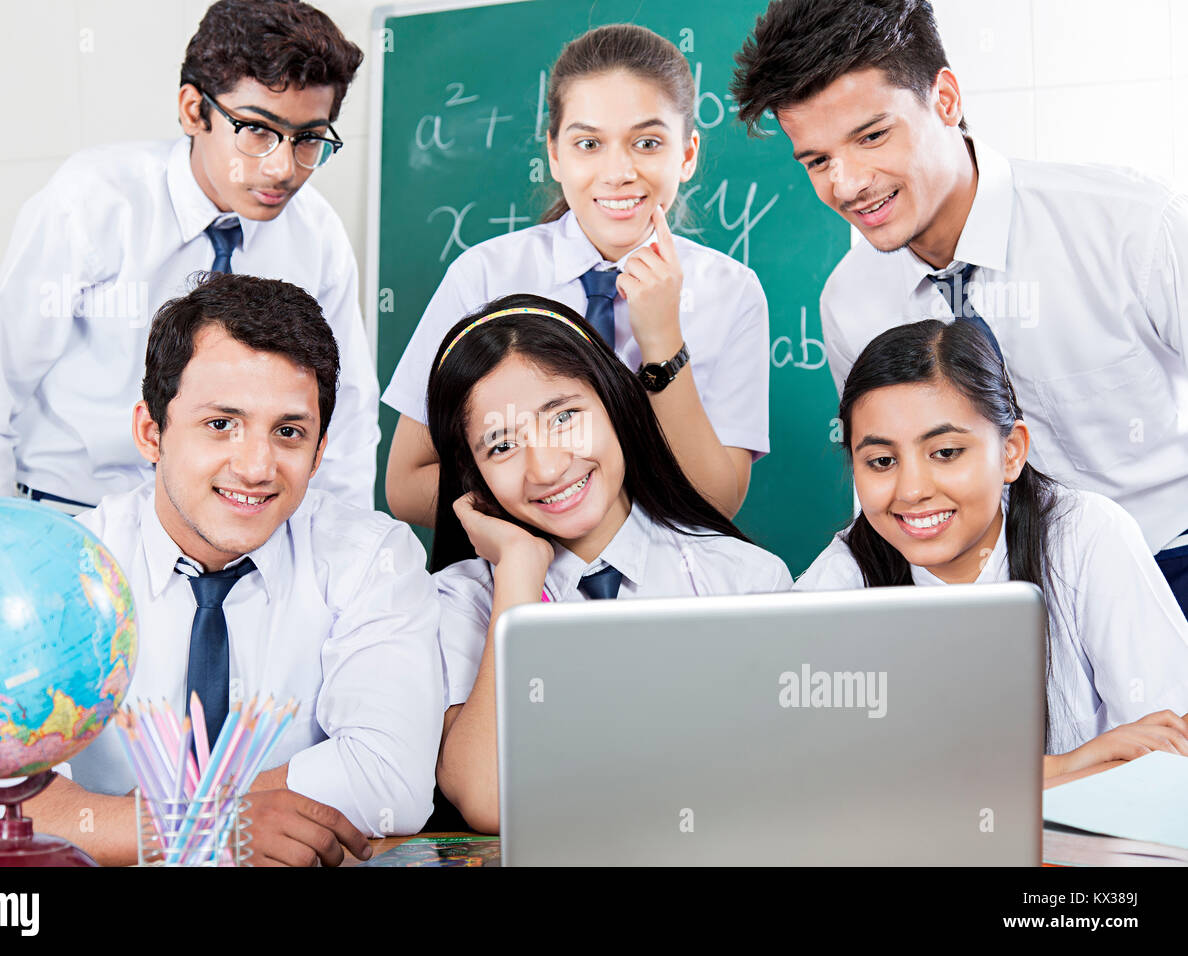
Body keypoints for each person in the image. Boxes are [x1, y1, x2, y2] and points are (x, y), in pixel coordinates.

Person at [0, 274, 443, 866]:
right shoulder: (59, 568)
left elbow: (390, 779)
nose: (256, 467)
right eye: (221, 424)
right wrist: (203, 831)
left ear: (320, 451)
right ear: (152, 432)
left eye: (289, 432)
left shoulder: (372, 558)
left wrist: (119, 821)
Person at [730, 0, 1188, 615]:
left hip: (1168, 564)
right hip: (993, 600)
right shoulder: (850, 302)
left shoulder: (1131, 227)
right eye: (817, 160)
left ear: (945, 98)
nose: (846, 183)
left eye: (871, 136)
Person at [0, 0, 379, 513]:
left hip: (234, 523)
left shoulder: (317, 232)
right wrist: (1, 540)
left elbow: (345, 413)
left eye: (308, 139)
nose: (283, 168)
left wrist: (334, 547)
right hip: (78, 513)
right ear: (195, 110)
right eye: (257, 130)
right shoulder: (94, 202)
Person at [428, 294, 792, 832]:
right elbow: (486, 799)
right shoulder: (463, 601)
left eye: (565, 418)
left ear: (616, 403)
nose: (548, 467)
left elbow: (780, 784)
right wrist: (519, 573)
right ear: (473, 472)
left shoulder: (743, 580)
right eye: (502, 446)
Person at [383, 23, 771, 527]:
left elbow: (717, 504)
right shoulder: (483, 277)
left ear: (688, 154)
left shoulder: (733, 293)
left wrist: (663, 343)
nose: (618, 172)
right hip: (520, 584)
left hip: (664, 590)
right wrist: (546, 505)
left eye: (648, 142)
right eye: (589, 144)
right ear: (554, 154)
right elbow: (407, 485)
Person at [794, 320, 1188, 777]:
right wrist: (1067, 767)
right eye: (882, 461)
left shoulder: (1085, 534)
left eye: (945, 452)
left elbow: (1168, 745)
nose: (913, 490)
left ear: (1011, 452)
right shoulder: (841, 579)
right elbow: (816, 780)